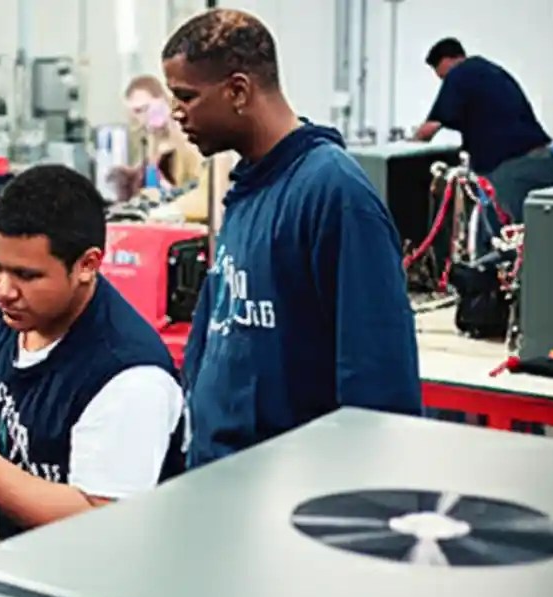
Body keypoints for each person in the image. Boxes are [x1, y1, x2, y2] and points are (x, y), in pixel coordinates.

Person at [161, 8, 422, 469]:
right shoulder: (247, 184)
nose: (176, 113)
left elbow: (378, 382)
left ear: (238, 90)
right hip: (219, 479)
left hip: (289, 495)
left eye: (187, 97)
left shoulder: (332, 192)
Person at [0, 165, 184, 540]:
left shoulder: (130, 377)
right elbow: (0, 409)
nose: (3, 289)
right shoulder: (7, 312)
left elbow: (101, 521)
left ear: (87, 266)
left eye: (27, 275)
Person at [412, 38, 553, 222]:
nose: (443, 81)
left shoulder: (459, 74)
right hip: (542, 160)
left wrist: (407, 145)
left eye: (442, 76)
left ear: (448, 60)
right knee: (540, 232)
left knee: (504, 238)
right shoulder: (491, 71)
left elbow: (430, 128)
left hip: (510, 168)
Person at [111, 74, 204, 200]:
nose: (140, 119)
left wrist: (170, 193)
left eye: (143, 109)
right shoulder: (147, 143)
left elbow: (200, 189)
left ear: (163, 101)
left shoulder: (187, 139)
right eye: (134, 113)